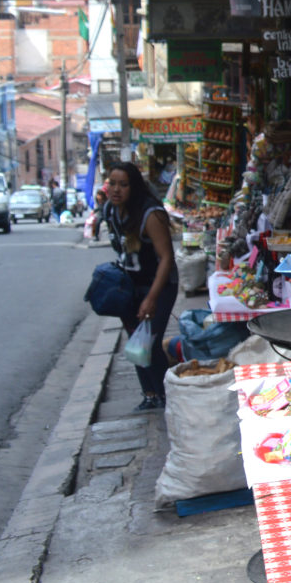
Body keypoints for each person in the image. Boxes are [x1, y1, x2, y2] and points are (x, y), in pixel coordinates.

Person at [101, 162, 179, 410]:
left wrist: (152, 298)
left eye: (123, 185)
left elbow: (166, 258)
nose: (116, 190)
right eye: (112, 184)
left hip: (159, 285)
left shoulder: (151, 215)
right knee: (135, 341)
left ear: (134, 187)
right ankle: (150, 394)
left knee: (151, 343)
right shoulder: (111, 211)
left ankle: (170, 396)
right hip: (131, 286)